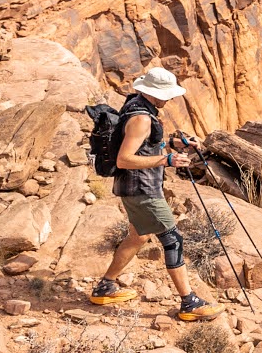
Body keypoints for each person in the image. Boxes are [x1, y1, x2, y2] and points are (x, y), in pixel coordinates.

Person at [88, 66, 213, 321]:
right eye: (167, 94)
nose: (171, 98)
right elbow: (124, 159)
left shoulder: (136, 105)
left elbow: (144, 144)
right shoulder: (141, 119)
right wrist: (166, 160)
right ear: (153, 92)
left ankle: (105, 287)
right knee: (173, 239)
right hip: (142, 189)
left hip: (135, 187)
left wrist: (175, 144)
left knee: (138, 236)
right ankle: (189, 303)